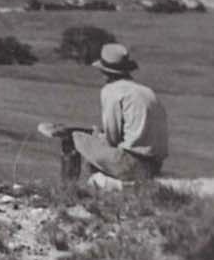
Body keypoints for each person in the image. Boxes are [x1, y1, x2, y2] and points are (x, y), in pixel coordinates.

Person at [40, 43, 169, 182]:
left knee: (72, 137)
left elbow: (112, 139)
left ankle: (68, 188)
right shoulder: (146, 91)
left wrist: (98, 136)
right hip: (154, 165)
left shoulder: (112, 90)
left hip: (130, 164)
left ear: (105, 72)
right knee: (98, 147)